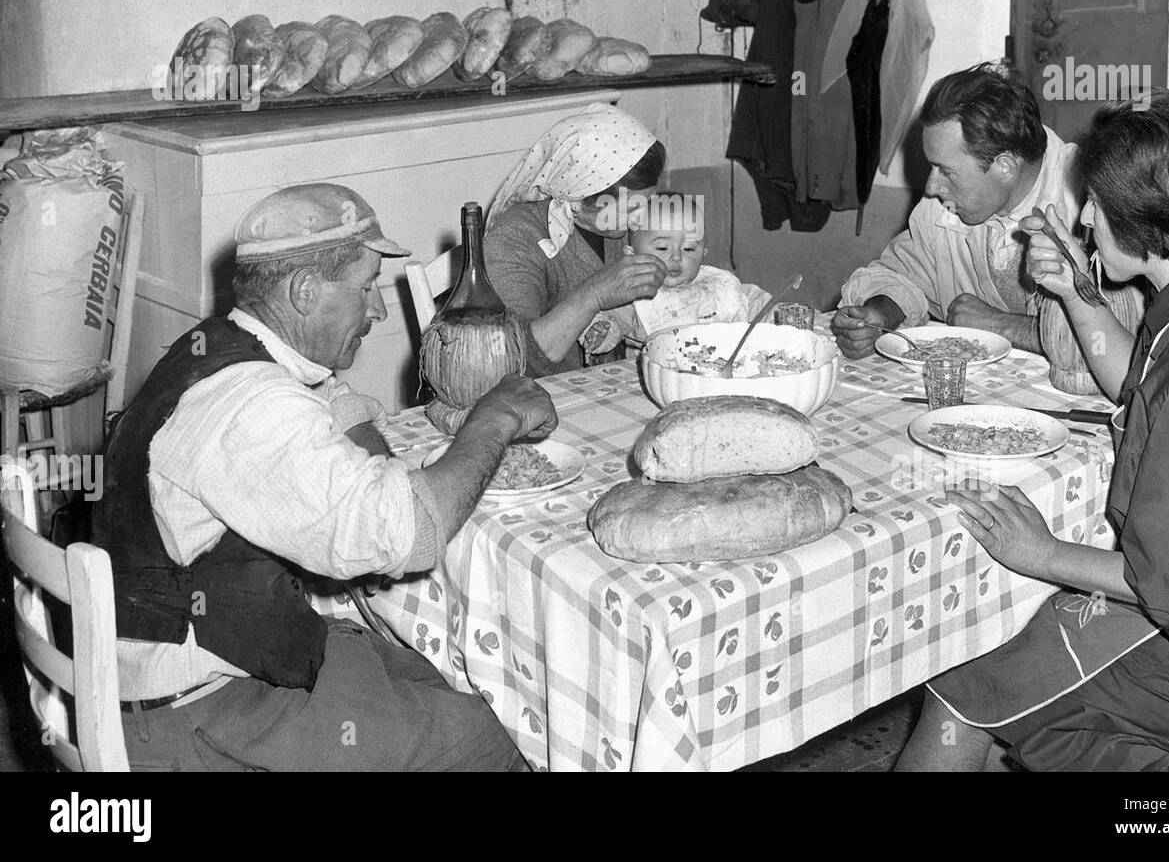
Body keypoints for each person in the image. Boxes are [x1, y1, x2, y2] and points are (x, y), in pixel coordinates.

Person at [895, 91, 1169, 771]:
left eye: (1100, 204)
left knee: (964, 692)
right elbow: (1139, 391)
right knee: (1016, 663)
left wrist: (1042, 551)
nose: (1084, 216)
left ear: (1150, 219)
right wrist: (1078, 296)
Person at [95, 183, 556, 771]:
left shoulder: (219, 346)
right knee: (503, 738)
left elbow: (335, 403)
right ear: (305, 291)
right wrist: (496, 417)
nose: (378, 310)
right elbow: (405, 536)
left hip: (216, 658)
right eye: (365, 288)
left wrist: (370, 459)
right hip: (197, 717)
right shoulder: (250, 406)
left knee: (447, 679)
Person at [832, 62, 1080, 358]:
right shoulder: (945, 203)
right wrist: (880, 313)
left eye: (945, 170)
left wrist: (1003, 326)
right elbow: (908, 273)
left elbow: (1124, 344)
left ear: (1005, 166)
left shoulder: (1093, 201)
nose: (931, 187)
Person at [484, 102, 669, 375]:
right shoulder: (513, 239)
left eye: (648, 202)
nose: (641, 219)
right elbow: (512, 356)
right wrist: (593, 294)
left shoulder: (616, 229)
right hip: (536, 395)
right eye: (630, 208)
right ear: (579, 198)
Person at [579, 191, 770, 354]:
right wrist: (602, 330)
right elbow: (613, 319)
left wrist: (775, 313)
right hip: (657, 376)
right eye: (662, 248)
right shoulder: (633, 292)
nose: (676, 257)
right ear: (632, 255)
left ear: (703, 253)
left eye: (688, 249)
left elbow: (754, 303)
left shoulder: (716, 283)